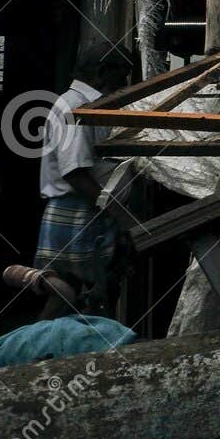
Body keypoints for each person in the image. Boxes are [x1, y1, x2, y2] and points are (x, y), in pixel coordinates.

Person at [33, 47, 132, 314]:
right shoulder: (76, 107)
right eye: (122, 77)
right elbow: (75, 172)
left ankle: (48, 351)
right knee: (84, 294)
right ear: (102, 73)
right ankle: (60, 351)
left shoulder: (85, 105)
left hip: (87, 210)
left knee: (67, 295)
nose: (124, 86)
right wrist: (121, 216)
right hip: (80, 211)